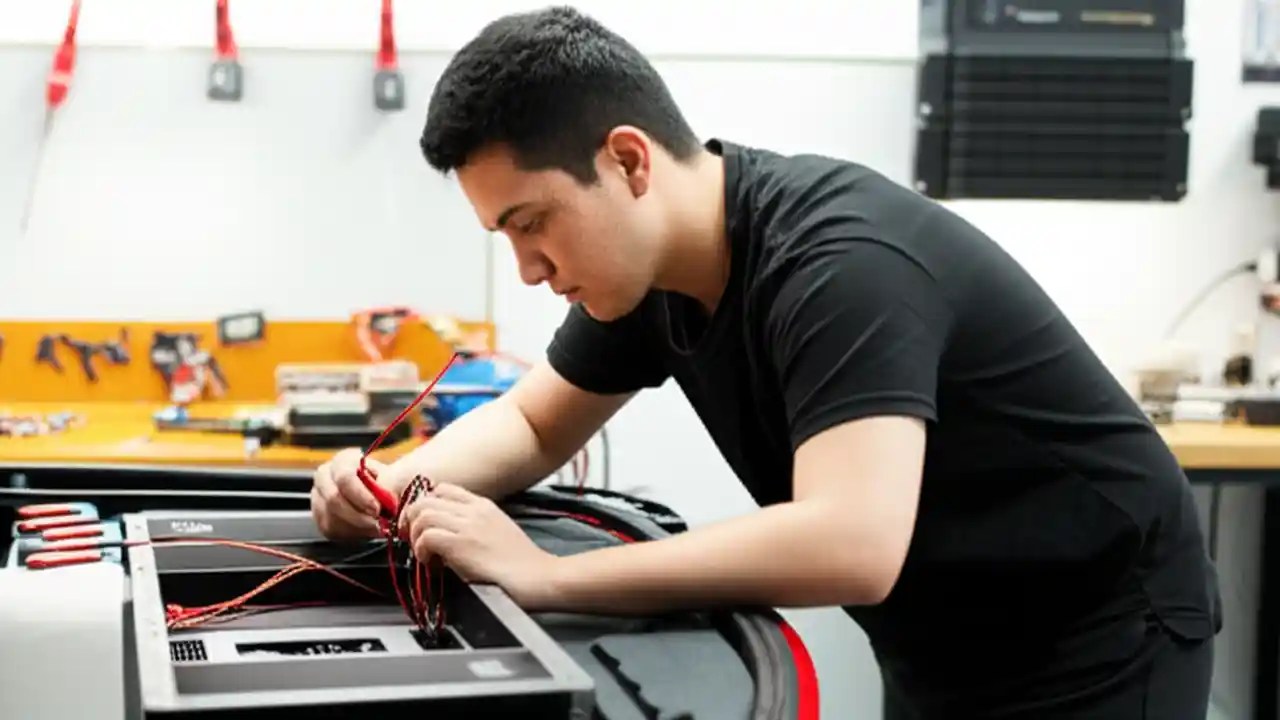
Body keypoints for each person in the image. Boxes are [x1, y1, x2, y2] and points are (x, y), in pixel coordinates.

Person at [310, 7, 1221, 717]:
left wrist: (549, 575)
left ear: (628, 161)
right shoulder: (649, 275)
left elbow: (850, 543)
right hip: (946, 631)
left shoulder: (838, 262)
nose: (529, 267)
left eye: (531, 223)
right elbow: (534, 420)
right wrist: (387, 486)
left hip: (1101, 628)